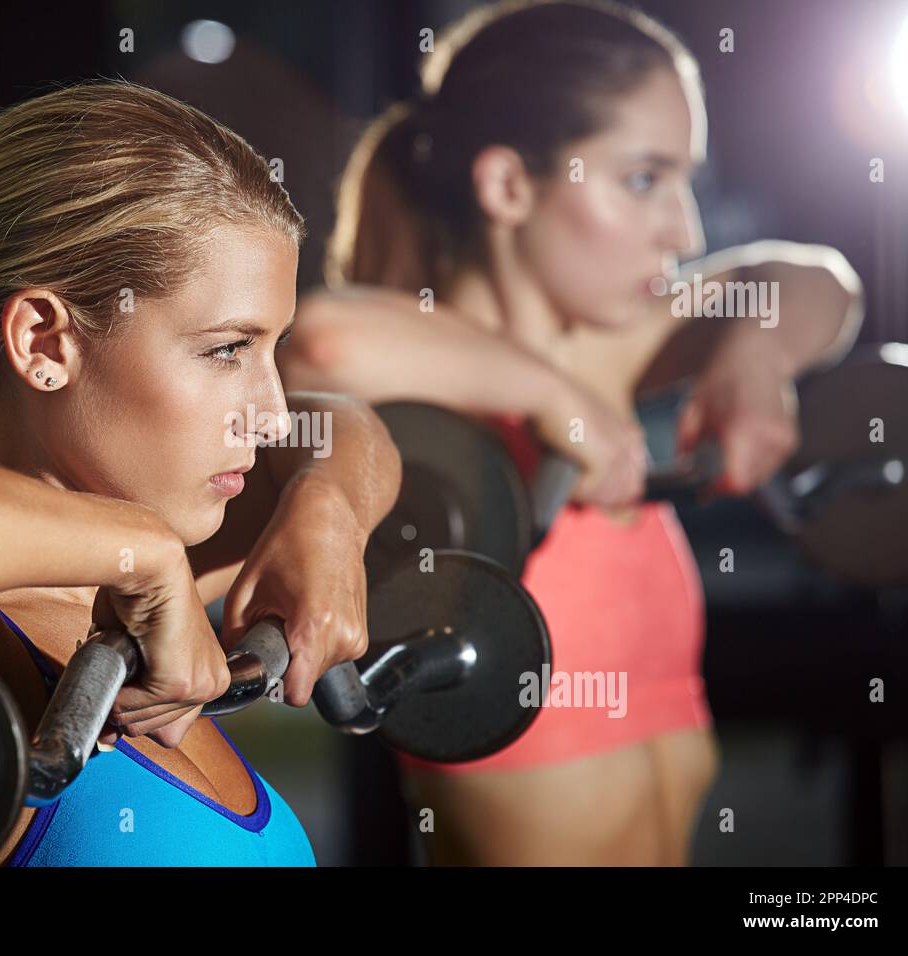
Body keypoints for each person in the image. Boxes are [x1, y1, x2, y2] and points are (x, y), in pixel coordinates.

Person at [280, 0, 863, 865]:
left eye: (684, 182)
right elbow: (317, 339)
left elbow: (821, 281)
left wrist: (757, 360)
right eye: (643, 179)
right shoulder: (419, 406)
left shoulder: (614, 350)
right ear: (510, 185)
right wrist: (555, 395)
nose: (685, 230)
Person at [0, 79, 402, 866]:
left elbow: (348, 425)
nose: (270, 417)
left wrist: (327, 519)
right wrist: (148, 553)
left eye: (272, 348)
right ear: (43, 342)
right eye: (227, 349)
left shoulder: (128, 582)